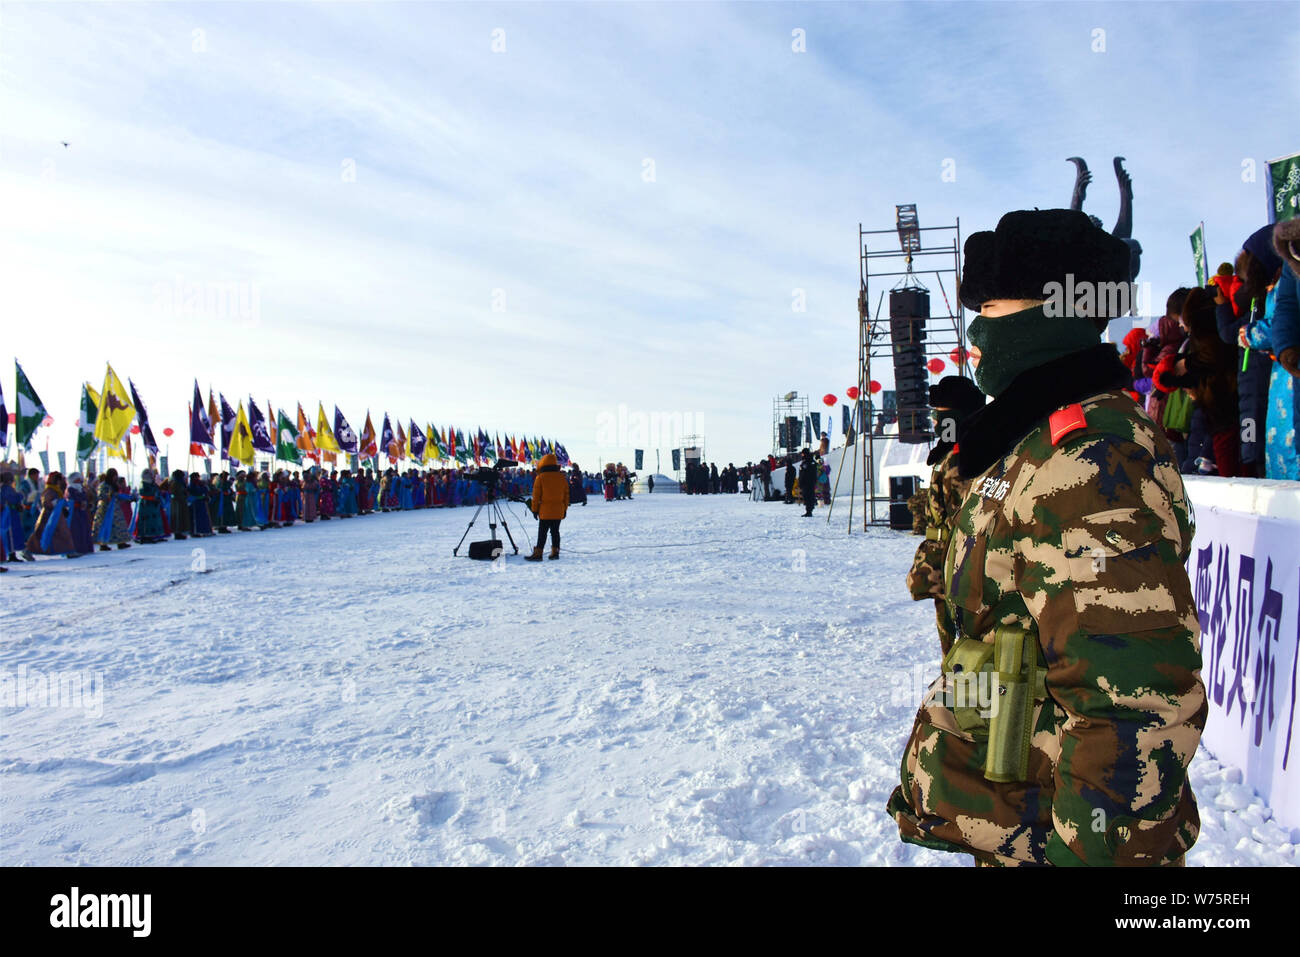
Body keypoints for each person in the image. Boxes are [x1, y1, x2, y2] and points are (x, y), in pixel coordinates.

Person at [887, 208, 1205, 867]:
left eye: (993, 306)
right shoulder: (1033, 442)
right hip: (1022, 820)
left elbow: (1134, 707)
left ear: (1049, 313)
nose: (977, 332)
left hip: (1060, 840)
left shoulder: (1089, 458)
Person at [906, 376, 985, 656]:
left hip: (957, 568)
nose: (934, 421)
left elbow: (968, 520)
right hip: (947, 564)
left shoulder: (960, 459)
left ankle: (959, 686)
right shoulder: (951, 453)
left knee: (959, 644)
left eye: (937, 415)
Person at [525, 452, 568, 561]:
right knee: (555, 532)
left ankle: (538, 554)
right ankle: (555, 552)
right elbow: (566, 495)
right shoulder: (561, 477)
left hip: (545, 511)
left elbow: (536, 496)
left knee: (542, 533)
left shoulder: (540, 477)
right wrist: (565, 509)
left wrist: (534, 510)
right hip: (558, 510)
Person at [797, 449, 817, 516]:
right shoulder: (806, 462)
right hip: (806, 483)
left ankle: (809, 511)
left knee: (809, 497)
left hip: (808, 483)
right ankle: (808, 510)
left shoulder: (809, 462)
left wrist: (801, 482)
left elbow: (805, 474)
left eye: (802, 454)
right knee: (806, 496)